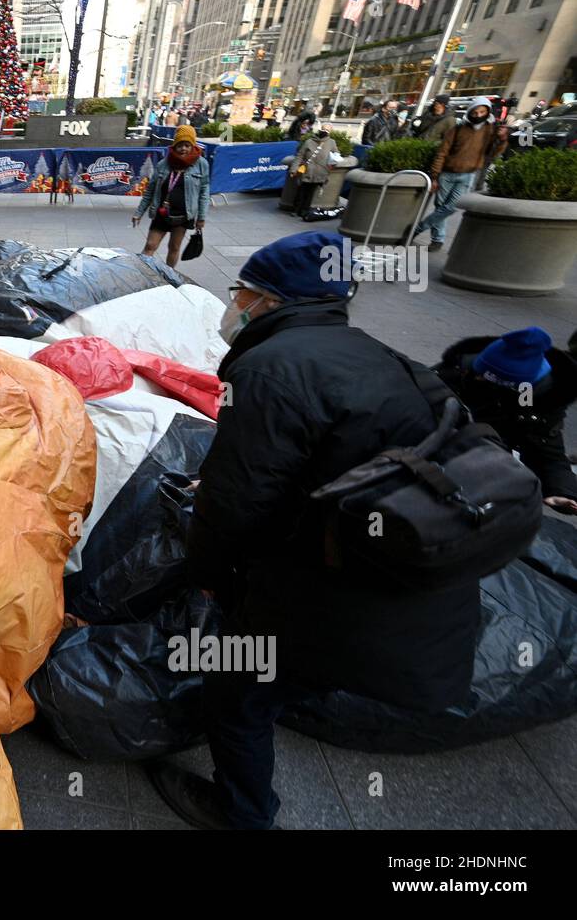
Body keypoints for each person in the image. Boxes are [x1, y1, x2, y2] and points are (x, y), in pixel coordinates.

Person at [147, 231, 481, 830]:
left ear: (268, 301)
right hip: (401, 570)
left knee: (236, 696)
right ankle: (299, 686)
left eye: (240, 291)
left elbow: (235, 504)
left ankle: (243, 813)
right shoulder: (378, 354)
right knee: (294, 673)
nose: (234, 303)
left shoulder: (269, 367)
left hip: (324, 588)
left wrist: (209, 581)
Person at [432, 328, 577, 514]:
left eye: (488, 378)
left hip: (481, 468)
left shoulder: (541, 400)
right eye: (480, 373)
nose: (479, 377)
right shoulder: (459, 369)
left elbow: (546, 449)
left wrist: (561, 490)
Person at [412, 97, 509, 252]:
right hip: (446, 174)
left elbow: (493, 154)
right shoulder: (457, 129)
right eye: (475, 111)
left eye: (482, 112)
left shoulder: (490, 131)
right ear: (470, 111)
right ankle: (437, 239)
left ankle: (417, 229)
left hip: (468, 175)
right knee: (440, 207)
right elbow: (442, 152)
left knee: (451, 207)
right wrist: (435, 176)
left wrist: (502, 139)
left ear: (488, 112)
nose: (478, 115)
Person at [131, 124, 210, 267]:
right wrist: (139, 213)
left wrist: (201, 217)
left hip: (183, 215)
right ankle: (141, 273)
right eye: (180, 145)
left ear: (192, 145)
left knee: (174, 248)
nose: (183, 149)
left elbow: (204, 192)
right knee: (150, 246)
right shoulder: (163, 164)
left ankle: (169, 277)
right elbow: (150, 190)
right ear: (174, 146)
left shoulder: (201, 164)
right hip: (161, 214)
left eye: (187, 145)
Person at [289, 123, 338, 218]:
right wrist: (293, 169)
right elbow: (300, 156)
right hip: (307, 170)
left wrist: (333, 162)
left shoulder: (331, 142)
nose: (325, 131)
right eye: (324, 129)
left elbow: (336, 155)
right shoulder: (309, 141)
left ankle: (304, 210)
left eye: (327, 130)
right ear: (320, 129)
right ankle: (296, 209)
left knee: (311, 193)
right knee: (301, 190)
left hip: (320, 172)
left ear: (330, 132)